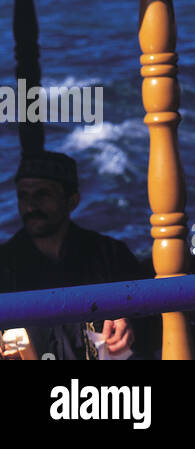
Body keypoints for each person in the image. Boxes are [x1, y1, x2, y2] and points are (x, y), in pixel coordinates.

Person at [0, 152, 152, 359]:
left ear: (72, 201)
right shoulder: (4, 265)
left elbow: (150, 318)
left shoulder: (111, 256)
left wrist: (129, 323)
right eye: (23, 195)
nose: (30, 206)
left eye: (42, 195)